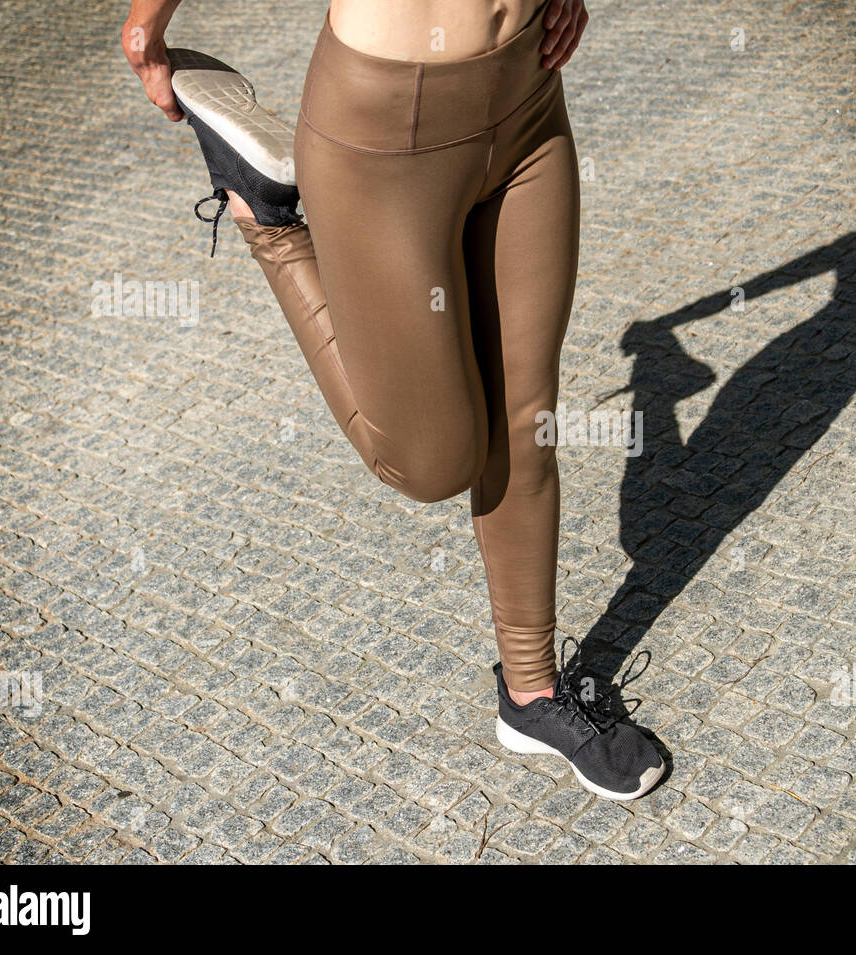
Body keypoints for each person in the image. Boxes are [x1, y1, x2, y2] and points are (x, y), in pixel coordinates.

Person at [120, 0, 664, 801]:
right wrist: (146, 30)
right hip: (385, 130)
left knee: (526, 419)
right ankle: (266, 215)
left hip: (529, 96)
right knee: (430, 460)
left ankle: (532, 694)